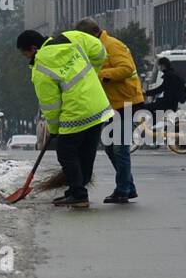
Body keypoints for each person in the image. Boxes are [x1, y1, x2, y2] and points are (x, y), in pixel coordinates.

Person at [16, 28, 115, 209]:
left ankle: (78, 194)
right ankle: (76, 188)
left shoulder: (41, 67)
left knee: (66, 153)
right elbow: (100, 51)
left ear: (32, 48)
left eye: (25, 54)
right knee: (86, 152)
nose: (26, 58)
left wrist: (54, 130)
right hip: (99, 105)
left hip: (77, 112)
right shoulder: (71, 39)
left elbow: (51, 105)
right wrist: (92, 75)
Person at [75, 17, 139, 203]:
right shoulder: (97, 48)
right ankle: (129, 187)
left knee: (119, 148)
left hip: (126, 101)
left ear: (92, 34)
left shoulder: (112, 45)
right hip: (112, 104)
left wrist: (101, 75)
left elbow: (126, 68)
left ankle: (123, 189)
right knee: (111, 148)